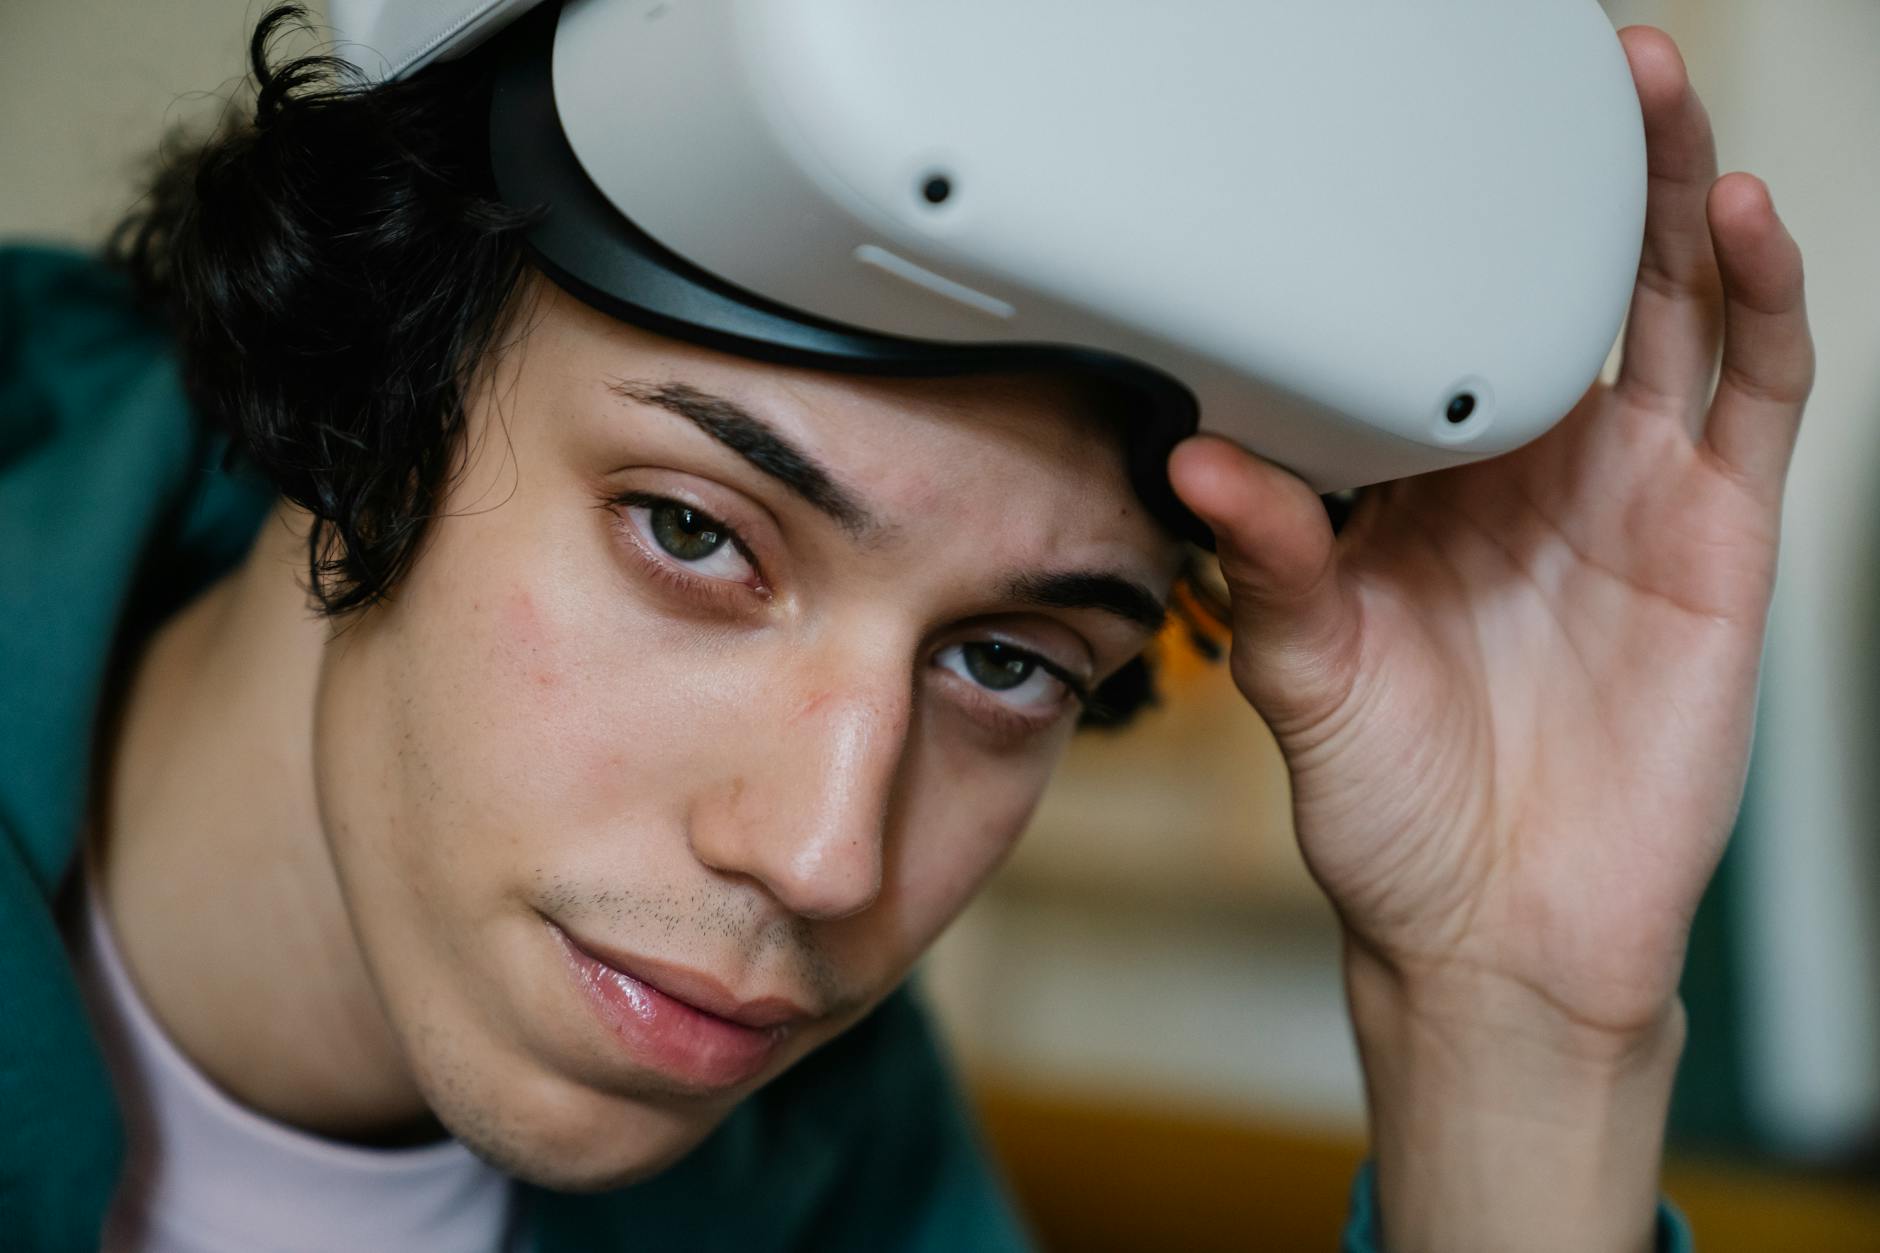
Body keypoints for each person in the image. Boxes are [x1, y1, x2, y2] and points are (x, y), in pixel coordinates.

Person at [0, 5, 1813, 1251]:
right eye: (697, 532)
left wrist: (1514, 1028)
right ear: (361, 378)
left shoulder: (826, 1161)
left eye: (1007, 659)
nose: (819, 853)